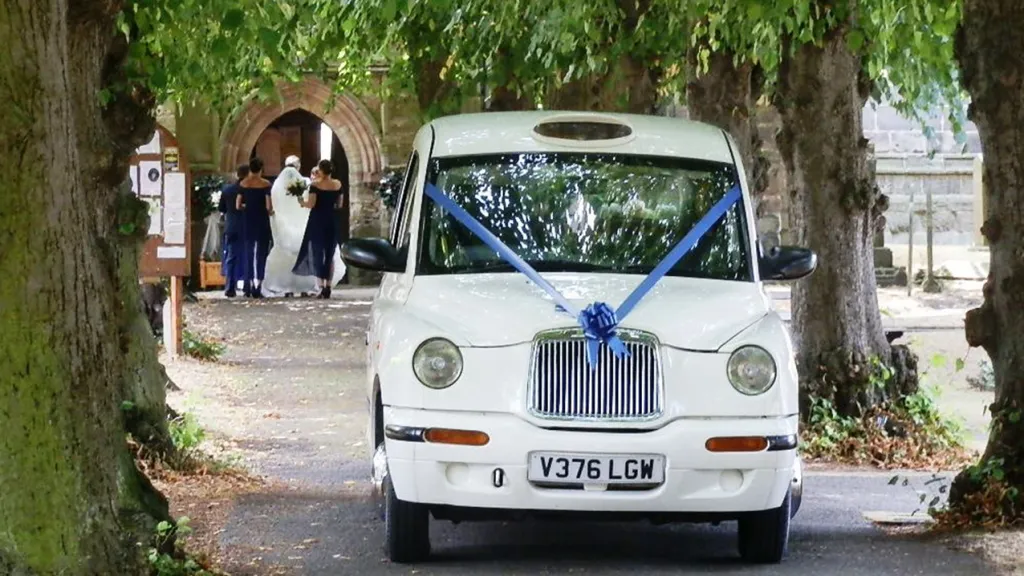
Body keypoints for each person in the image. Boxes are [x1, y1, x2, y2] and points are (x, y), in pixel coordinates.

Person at [261, 155, 320, 297]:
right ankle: (305, 287)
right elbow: (308, 202)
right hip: (301, 225)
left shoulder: (277, 185)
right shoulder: (305, 182)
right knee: (301, 252)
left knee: (284, 253)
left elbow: (273, 204)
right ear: (298, 166)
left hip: (283, 225)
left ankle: (285, 287)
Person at [293, 159, 346, 299]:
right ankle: (328, 285)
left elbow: (311, 204)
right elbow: (340, 204)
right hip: (332, 219)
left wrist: (301, 202)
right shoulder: (338, 184)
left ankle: (320, 286)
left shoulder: (315, 185)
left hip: (317, 220)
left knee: (317, 253)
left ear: (321, 170)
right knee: (330, 253)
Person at [237, 157, 274, 298]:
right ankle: (259, 284)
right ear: (261, 169)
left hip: (248, 220)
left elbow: (238, 205)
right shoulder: (265, 184)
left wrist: (248, 206)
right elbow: (268, 206)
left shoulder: (243, 183)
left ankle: (250, 284)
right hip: (262, 220)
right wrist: (270, 211)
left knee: (248, 252)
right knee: (261, 253)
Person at [218, 164, 249, 297]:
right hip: (247, 226)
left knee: (231, 257)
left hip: (232, 227)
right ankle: (248, 287)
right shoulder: (249, 190)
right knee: (248, 256)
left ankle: (230, 287)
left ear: (237, 174)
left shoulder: (227, 190)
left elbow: (221, 208)